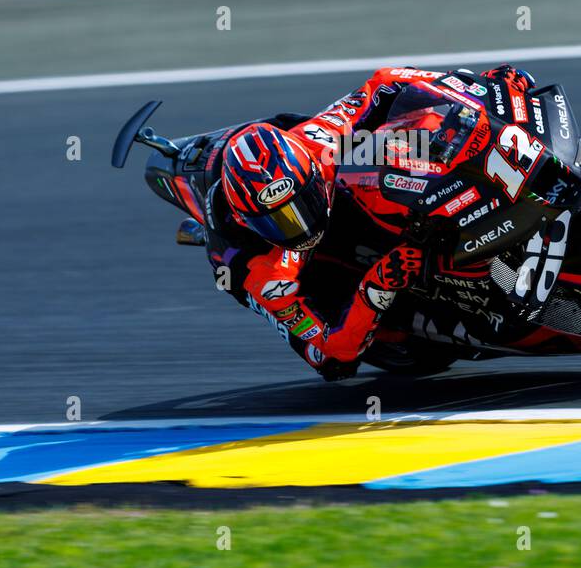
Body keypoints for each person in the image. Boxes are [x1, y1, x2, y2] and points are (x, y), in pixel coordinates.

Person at [210, 65, 534, 379]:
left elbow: (386, 81)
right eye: (278, 221)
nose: (299, 226)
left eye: (301, 205)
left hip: (343, 194)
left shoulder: (321, 140)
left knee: (414, 134)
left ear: (310, 174)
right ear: (246, 220)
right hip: (319, 287)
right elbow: (333, 352)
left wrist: (479, 87)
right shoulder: (265, 274)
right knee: (330, 365)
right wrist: (377, 285)